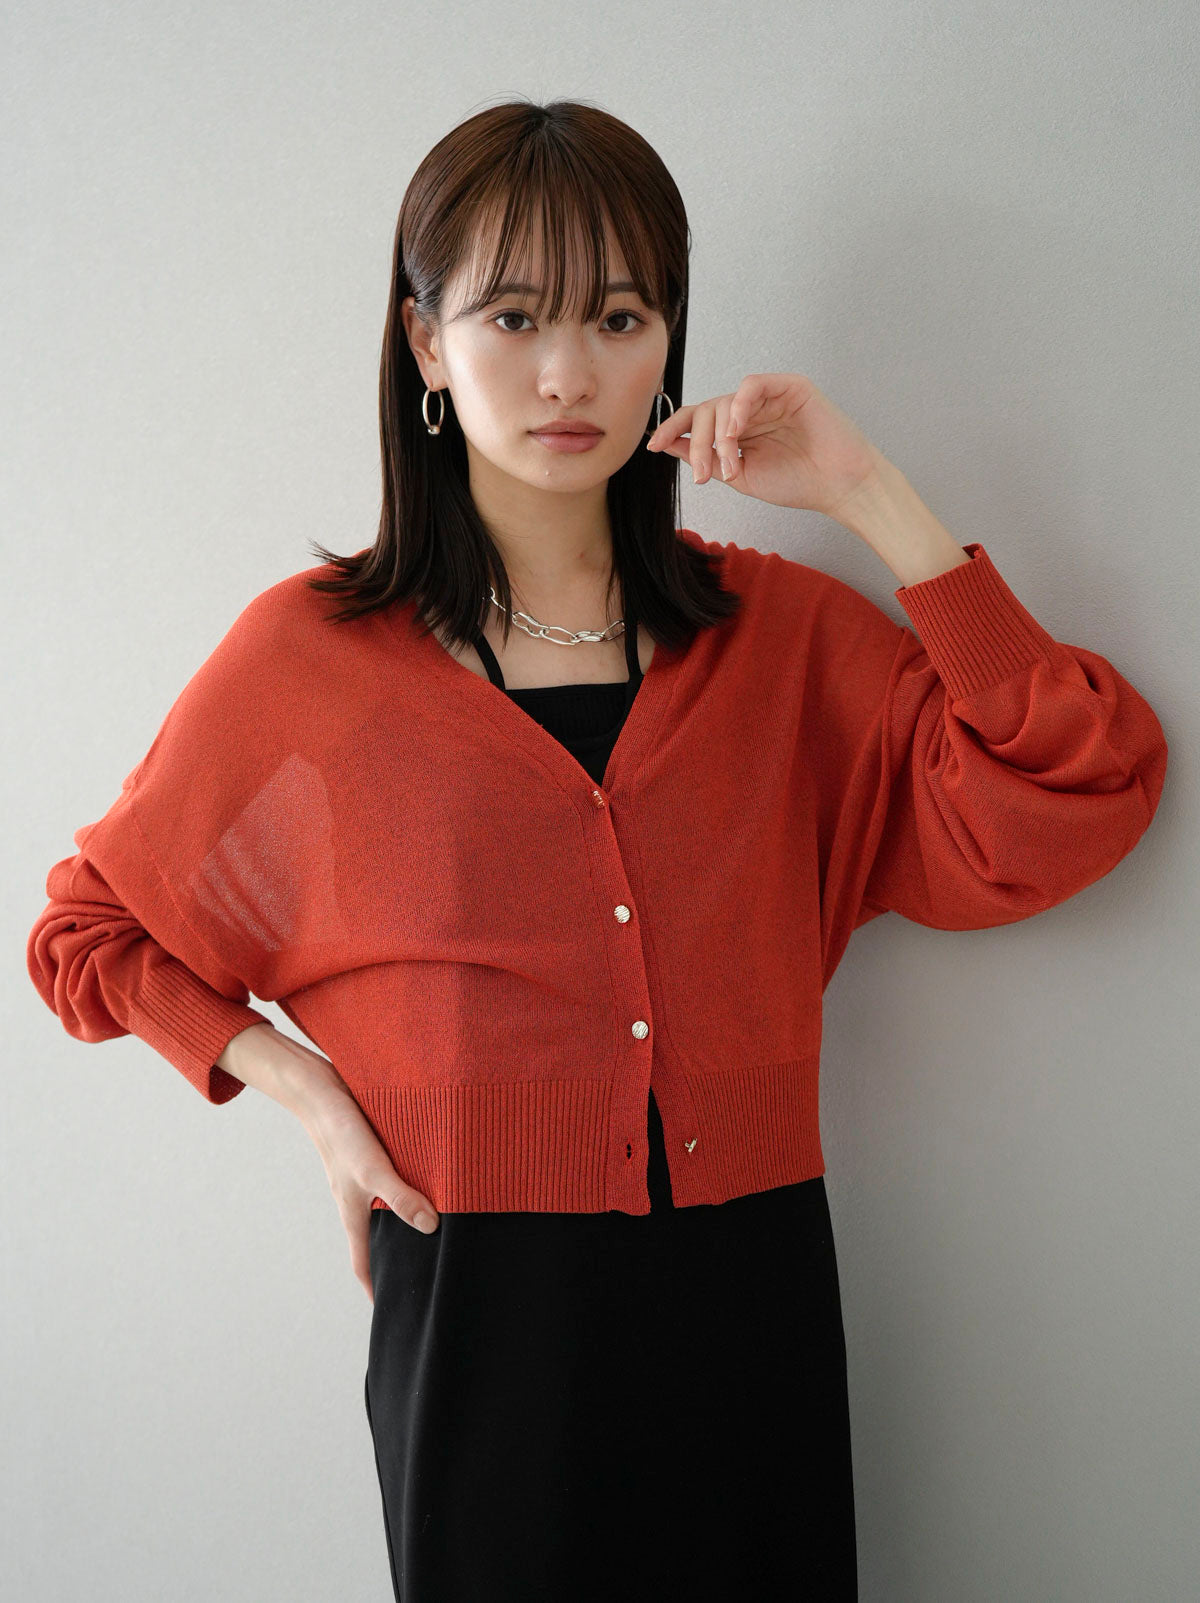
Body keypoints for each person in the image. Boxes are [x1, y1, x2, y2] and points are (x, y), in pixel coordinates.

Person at [26, 98, 1169, 1602]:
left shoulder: (773, 643)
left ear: (669, 343)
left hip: (751, 1293)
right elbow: (89, 934)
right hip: (481, 1314)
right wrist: (312, 1098)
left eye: (621, 318)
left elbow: (1078, 784)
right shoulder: (314, 665)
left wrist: (868, 496)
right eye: (513, 317)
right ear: (427, 345)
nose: (568, 373)